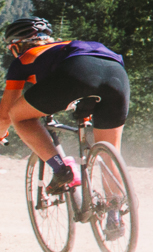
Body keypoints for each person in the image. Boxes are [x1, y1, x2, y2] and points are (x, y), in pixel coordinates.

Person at [1, 17, 129, 194]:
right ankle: (116, 215)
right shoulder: (65, 47)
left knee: (19, 115)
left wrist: (1, 134)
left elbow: (5, 114)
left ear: (19, 45)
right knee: (110, 153)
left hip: (77, 69)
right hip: (117, 72)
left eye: (13, 49)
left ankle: (61, 170)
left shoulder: (25, 58)